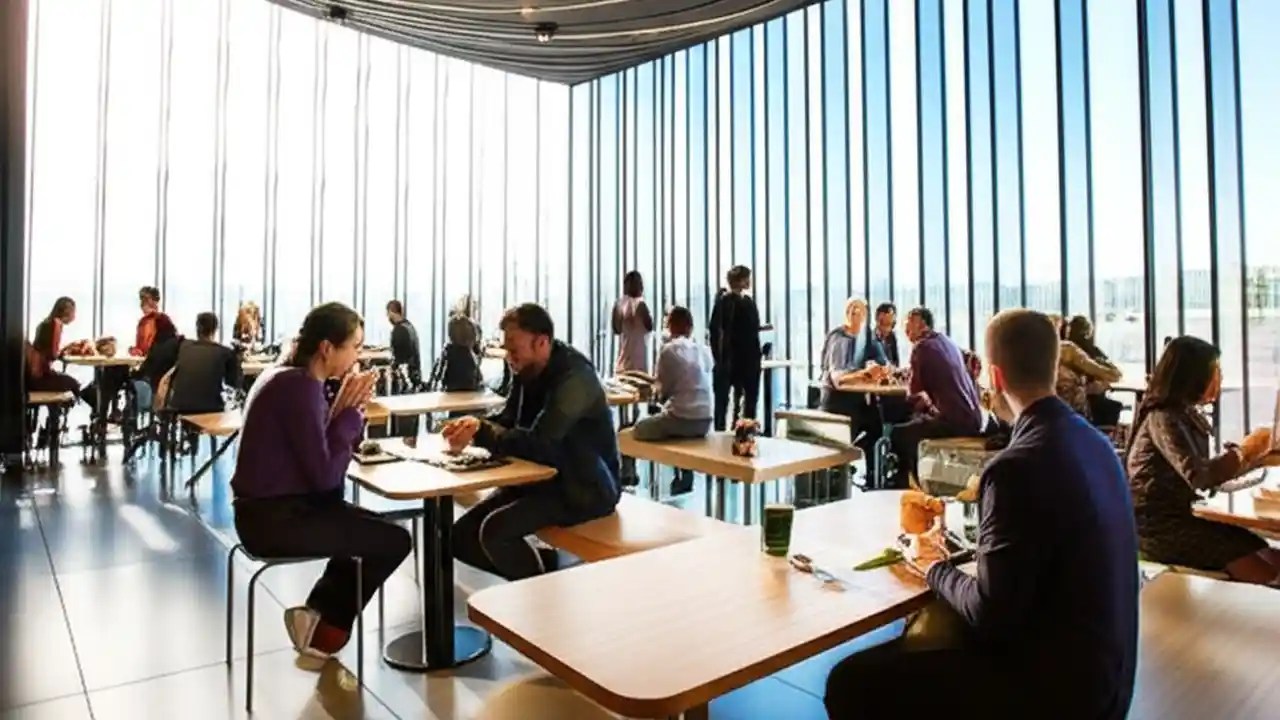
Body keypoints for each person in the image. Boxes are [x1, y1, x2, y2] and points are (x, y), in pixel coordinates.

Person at [825, 309, 1138, 719]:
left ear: (995, 376)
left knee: (852, 681)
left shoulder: (1014, 468)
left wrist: (933, 564)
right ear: (1052, 365)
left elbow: (991, 614)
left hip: (1056, 697)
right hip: (1109, 683)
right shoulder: (1097, 446)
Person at [231, 302, 410, 665]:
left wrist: (342, 414)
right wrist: (350, 417)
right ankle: (327, 631)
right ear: (328, 348)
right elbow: (327, 478)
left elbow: (320, 469)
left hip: (271, 512)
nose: (359, 356)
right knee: (395, 540)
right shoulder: (301, 387)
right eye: (355, 347)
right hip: (275, 521)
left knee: (376, 529)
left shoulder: (287, 377)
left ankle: (315, 619)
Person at [444, 304, 621, 581]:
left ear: (541, 342)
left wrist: (483, 431)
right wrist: (473, 424)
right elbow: (509, 418)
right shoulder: (527, 370)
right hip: (542, 480)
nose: (509, 357)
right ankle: (544, 575)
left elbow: (542, 443)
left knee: (494, 531)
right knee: (459, 537)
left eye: (514, 349)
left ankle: (537, 595)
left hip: (585, 487)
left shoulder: (575, 379)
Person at [1125, 336, 1279, 585]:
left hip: (1185, 518)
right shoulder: (1163, 417)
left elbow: (1209, 475)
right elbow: (1200, 477)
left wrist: (1260, 456)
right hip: (1160, 529)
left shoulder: (1182, 413)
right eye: (1215, 371)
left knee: (1262, 549)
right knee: (1262, 564)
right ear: (1193, 376)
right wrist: (1246, 451)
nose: (1220, 378)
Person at [889, 307, 984, 488]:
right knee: (917, 421)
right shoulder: (947, 341)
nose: (905, 329)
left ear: (923, 324)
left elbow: (913, 393)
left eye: (909, 324)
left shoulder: (921, 347)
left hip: (953, 422)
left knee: (899, 433)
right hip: (974, 418)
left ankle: (909, 486)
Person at [818, 298, 890, 480]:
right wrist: (866, 374)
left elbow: (885, 364)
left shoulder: (867, 338)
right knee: (869, 421)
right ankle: (840, 470)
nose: (855, 314)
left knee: (878, 425)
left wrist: (882, 370)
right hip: (838, 401)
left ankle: (875, 478)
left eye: (859, 311)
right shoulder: (839, 338)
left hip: (858, 400)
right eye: (851, 310)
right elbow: (838, 379)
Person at [633, 306, 713, 442]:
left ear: (670, 326)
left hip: (681, 419)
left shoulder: (668, 351)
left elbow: (663, 392)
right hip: (705, 421)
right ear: (691, 328)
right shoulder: (704, 350)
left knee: (637, 429)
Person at [708, 265, 763, 430]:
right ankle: (744, 434)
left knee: (722, 406)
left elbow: (714, 332)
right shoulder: (747, 304)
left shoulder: (721, 302)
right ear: (742, 281)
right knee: (748, 404)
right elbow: (753, 329)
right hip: (747, 362)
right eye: (747, 278)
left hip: (726, 361)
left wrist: (718, 357)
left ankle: (719, 436)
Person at [166, 312, 243, 414]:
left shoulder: (184, 346)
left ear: (197, 328)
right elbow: (234, 382)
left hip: (178, 407)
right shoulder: (225, 352)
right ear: (215, 329)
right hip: (210, 408)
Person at [1064, 315, 1124, 426]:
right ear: (1088, 332)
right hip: (1088, 406)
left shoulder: (1060, 352)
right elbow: (1115, 374)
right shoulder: (1084, 351)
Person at [27, 297, 85, 394]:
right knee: (73, 383)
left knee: (66, 380)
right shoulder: (56, 324)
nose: (74, 316)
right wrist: (64, 352)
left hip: (31, 377)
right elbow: (53, 354)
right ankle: (93, 404)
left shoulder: (44, 323)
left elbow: (44, 349)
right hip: (39, 379)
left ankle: (56, 409)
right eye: (74, 312)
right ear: (67, 311)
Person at [386, 299, 424, 444]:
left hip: (404, 381)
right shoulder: (410, 327)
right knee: (410, 421)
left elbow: (400, 359)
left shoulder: (399, 330)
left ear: (392, 312)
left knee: (402, 420)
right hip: (414, 379)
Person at [612, 270, 654, 374]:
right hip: (638, 363)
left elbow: (616, 329)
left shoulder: (620, 304)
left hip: (624, 362)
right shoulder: (640, 305)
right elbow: (650, 326)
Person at [873, 302, 900, 367]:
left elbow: (895, 362)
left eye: (891, 324)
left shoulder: (892, 336)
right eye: (883, 324)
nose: (887, 329)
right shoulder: (869, 340)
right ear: (876, 320)